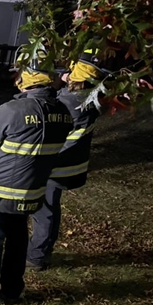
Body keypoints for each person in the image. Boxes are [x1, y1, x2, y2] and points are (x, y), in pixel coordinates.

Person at [0, 48, 73, 304]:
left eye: (19, 73)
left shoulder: (13, 111)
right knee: (18, 239)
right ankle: (13, 289)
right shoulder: (62, 113)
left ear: (28, 76)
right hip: (31, 191)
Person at [26, 49, 102, 271]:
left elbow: (52, 123)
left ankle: (36, 256)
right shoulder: (89, 96)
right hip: (70, 163)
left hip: (56, 163)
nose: (67, 75)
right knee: (50, 209)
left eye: (72, 71)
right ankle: (42, 251)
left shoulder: (71, 101)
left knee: (44, 210)